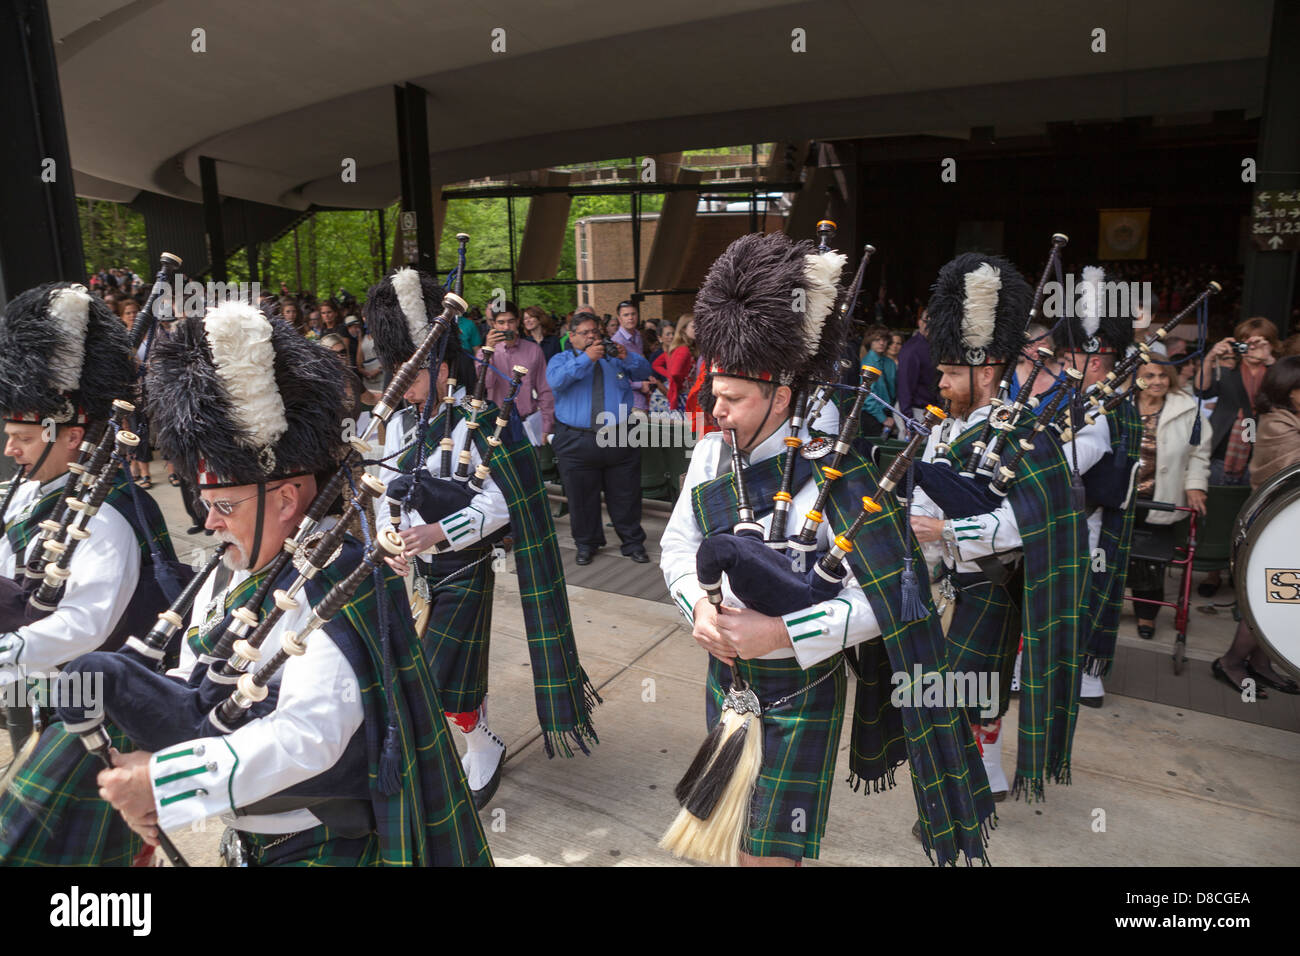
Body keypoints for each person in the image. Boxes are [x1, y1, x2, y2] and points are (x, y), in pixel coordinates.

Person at [93, 297, 492, 866]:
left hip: (318, 846)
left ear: (285, 500)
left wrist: (168, 781)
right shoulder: (229, 570)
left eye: (223, 504)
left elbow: (310, 734)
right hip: (250, 838)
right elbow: (189, 680)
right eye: (206, 505)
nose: (209, 522)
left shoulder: (338, 579)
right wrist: (143, 752)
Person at [660, 232, 993, 866]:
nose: (717, 410)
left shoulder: (838, 473)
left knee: (769, 854)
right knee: (726, 844)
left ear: (780, 398)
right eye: (714, 396)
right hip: (725, 674)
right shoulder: (708, 456)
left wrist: (780, 633)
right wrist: (697, 611)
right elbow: (677, 547)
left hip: (798, 684)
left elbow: (890, 598)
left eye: (733, 399)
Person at [370, 269, 599, 806]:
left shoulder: (486, 421)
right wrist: (389, 534)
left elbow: (504, 503)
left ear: (441, 369)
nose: (396, 384)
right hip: (416, 574)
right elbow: (382, 489)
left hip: (466, 566)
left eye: (409, 372)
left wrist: (435, 532)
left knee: (434, 673)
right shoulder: (399, 424)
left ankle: (474, 746)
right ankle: (480, 743)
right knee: (435, 674)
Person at [0, 282, 181, 865]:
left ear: (71, 435)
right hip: (50, 693)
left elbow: (88, 622)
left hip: (98, 706)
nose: (11, 450)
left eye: (24, 438)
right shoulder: (32, 498)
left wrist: (9, 649)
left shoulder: (104, 517)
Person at [909, 253, 1091, 802]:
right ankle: (983, 774)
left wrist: (944, 535)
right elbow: (925, 494)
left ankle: (968, 784)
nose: (939, 383)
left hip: (992, 585)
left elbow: (1027, 522)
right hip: (949, 584)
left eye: (947, 372)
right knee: (965, 688)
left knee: (955, 691)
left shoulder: (1028, 432)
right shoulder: (947, 431)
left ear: (985, 371)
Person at [1212, 355, 1300, 696]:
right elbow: (1286, 476)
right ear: (1285, 389)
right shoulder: (1278, 424)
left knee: (1287, 598)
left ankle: (1262, 664)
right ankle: (1231, 662)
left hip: (1289, 526)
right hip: (1273, 530)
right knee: (1266, 599)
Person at [547, 311, 653, 565]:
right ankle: (586, 543)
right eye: (585, 333)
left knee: (626, 493)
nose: (592, 337)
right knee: (581, 496)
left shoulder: (615, 359)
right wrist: (585, 359)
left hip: (619, 436)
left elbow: (643, 371)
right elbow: (557, 382)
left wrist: (626, 355)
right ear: (571, 337)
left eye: (595, 332)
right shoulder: (560, 360)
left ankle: (632, 542)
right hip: (576, 438)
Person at [1125, 361, 1211, 639]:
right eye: (1149, 375)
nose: (1158, 381)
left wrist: (1196, 485)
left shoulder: (1186, 407)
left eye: (1163, 375)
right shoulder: (1119, 404)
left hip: (1161, 498)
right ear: (1136, 379)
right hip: (1120, 498)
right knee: (1109, 557)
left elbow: (1198, 452)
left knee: (1150, 563)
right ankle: (1104, 608)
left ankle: (1146, 615)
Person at [1194, 316, 1279, 596]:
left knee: (1252, 511)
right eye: (1247, 342)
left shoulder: (1278, 372)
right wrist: (1210, 358)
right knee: (1218, 508)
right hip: (1223, 448)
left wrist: (1268, 360)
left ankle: (1240, 570)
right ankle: (1213, 572)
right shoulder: (1227, 371)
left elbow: (1289, 392)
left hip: (1262, 451)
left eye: (1259, 341)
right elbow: (1202, 389)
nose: (1252, 347)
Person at [480, 301, 555, 445]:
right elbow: (487, 383)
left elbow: (545, 389)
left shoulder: (533, 350)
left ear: (518, 322)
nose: (506, 327)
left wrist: (547, 424)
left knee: (533, 466)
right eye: (501, 322)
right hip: (497, 424)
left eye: (511, 322)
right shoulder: (485, 353)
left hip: (528, 421)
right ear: (493, 325)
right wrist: (488, 351)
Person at [610, 300, 656, 412]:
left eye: (633, 314)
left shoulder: (638, 335)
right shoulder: (615, 343)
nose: (630, 318)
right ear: (619, 318)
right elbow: (617, 376)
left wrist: (647, 377)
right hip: (628, 400)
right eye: (626, 315)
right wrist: (639, 385)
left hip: (644, 396)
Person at [896, 307, 937, 418]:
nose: (929, 325)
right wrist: (908, 418)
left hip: (934, 411)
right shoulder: (912, 349)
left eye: (934, 322)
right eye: (926, 321)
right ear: (919, 322)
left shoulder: (935, 347)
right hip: (917, 412)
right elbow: (905, 386)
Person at [653, 313, 697, 412]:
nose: (697, 329)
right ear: (683, 329)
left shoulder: (683, 348)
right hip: (683, 396)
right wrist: (680, 385)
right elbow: (674, 373)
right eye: (693, 327)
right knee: (690, 426)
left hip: (682, 395)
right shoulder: (683, 349)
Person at [860, 325, 897, 437]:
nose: (881, 343)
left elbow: (894, 390)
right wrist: (883, 418)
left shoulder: (889, 363)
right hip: (873, 415)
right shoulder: (868, 362)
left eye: (884, 340)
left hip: (889, 412)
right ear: (870, 342)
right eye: (877, 340)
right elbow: (867, 395)